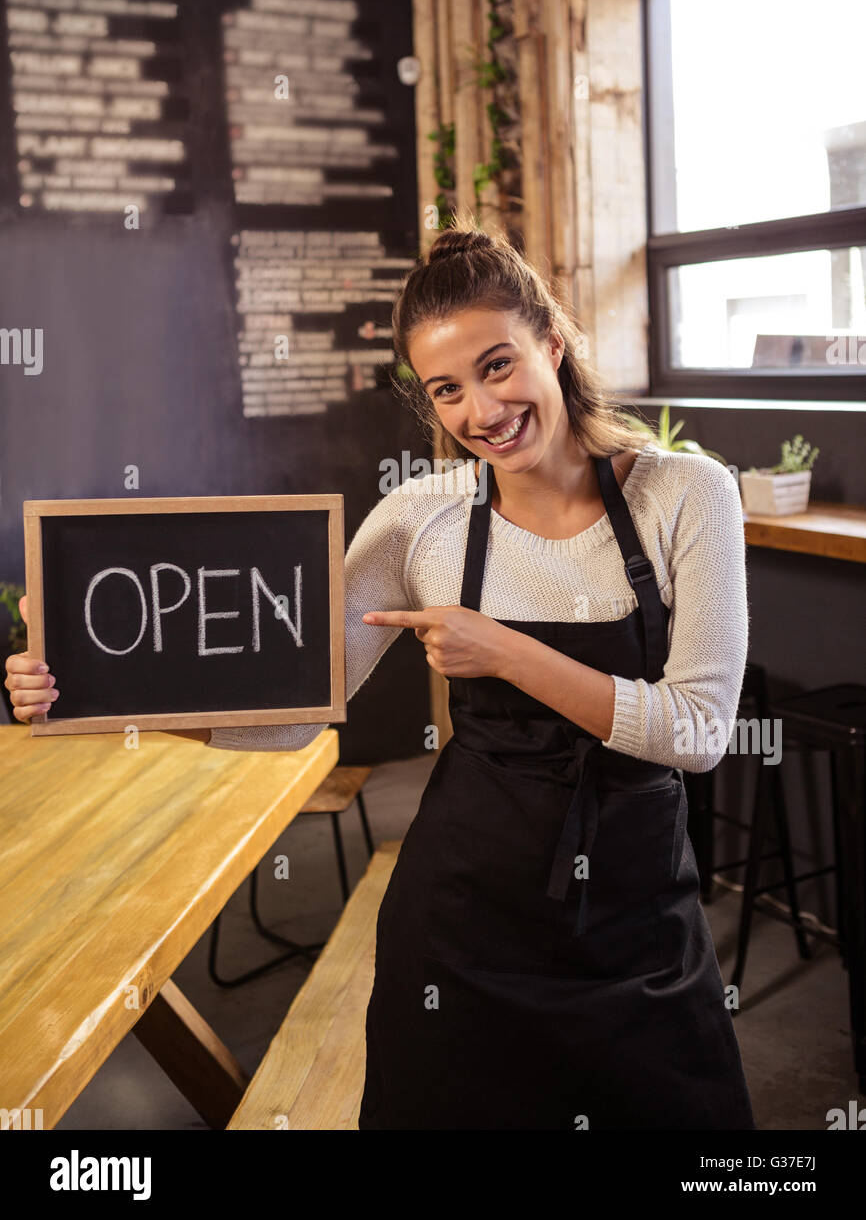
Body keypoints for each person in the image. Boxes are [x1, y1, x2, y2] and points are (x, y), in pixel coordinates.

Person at [6, 218, 756, 1131]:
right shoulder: (417, 521)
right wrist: (99, 688)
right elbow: (294, 714)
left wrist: (504, 650)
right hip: (463, 917)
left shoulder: (687, 495)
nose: (482, 412)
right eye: (446, 390)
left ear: (551, 343)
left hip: (638, 917)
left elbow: (700, 734)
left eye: (497, 365)